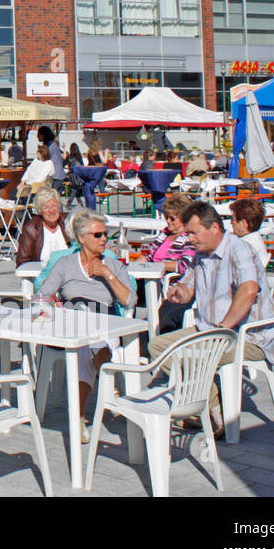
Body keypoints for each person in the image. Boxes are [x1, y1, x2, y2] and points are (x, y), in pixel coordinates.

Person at [150, 201, 274, 436]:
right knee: (157, 346)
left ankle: (209, 412)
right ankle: (210, 405)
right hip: (206, 330)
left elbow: (248, 290)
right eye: (188, 233)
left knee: (197, 355)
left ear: (215, 228)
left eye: (193, 233)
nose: (189, 238)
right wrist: (180, 292)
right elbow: (189, 287)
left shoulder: (239, 249)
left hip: (247, 337)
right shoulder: (201, 254)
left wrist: (222, 329)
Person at [35, 208, 137, 441]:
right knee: (83, 347)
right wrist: (50, 310)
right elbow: (42, 293)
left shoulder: (113, 265)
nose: (104, 240)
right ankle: (101, 390)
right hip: (73, 322)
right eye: (98, 235)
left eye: (105, 235)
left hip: (105, 322)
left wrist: (106, 273)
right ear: (81, 238)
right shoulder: (65, 264)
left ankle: (78, 417)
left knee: (90, 346)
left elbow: (130, 300)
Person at [134, 192, 198, 333]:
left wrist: (155, 266)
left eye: (172, 218)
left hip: (167, 282)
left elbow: (183, 266)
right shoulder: (165, 234)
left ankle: (145, 336)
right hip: (150, 277)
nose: (168, 221)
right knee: (126, 286)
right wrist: (131, 268)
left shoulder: (189, 238)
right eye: (166, 217)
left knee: (132, 291)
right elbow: (150, 256)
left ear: (183, 218)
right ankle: (128, 327)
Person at [16, 188, 67, 267]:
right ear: (40, 210)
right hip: (42, 274)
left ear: (59, 207)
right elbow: (23, 261)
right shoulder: (31, 228)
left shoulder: (68, 223)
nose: (51, 211)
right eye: (46, 207)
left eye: (54, 206)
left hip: (69, 273)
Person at [229, 197, 269, 270]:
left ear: (244, 223)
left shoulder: (244, 246)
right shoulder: (255, 238)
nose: (231, 223)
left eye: (232, 219)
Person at [37, 125, 65, 191]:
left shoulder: (49, 146)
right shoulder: (52, 144)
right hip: (59, 175)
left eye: (38, 134)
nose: (37, 136)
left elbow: (43, 158)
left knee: (51, 196)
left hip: (55, 176)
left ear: (43, 135)